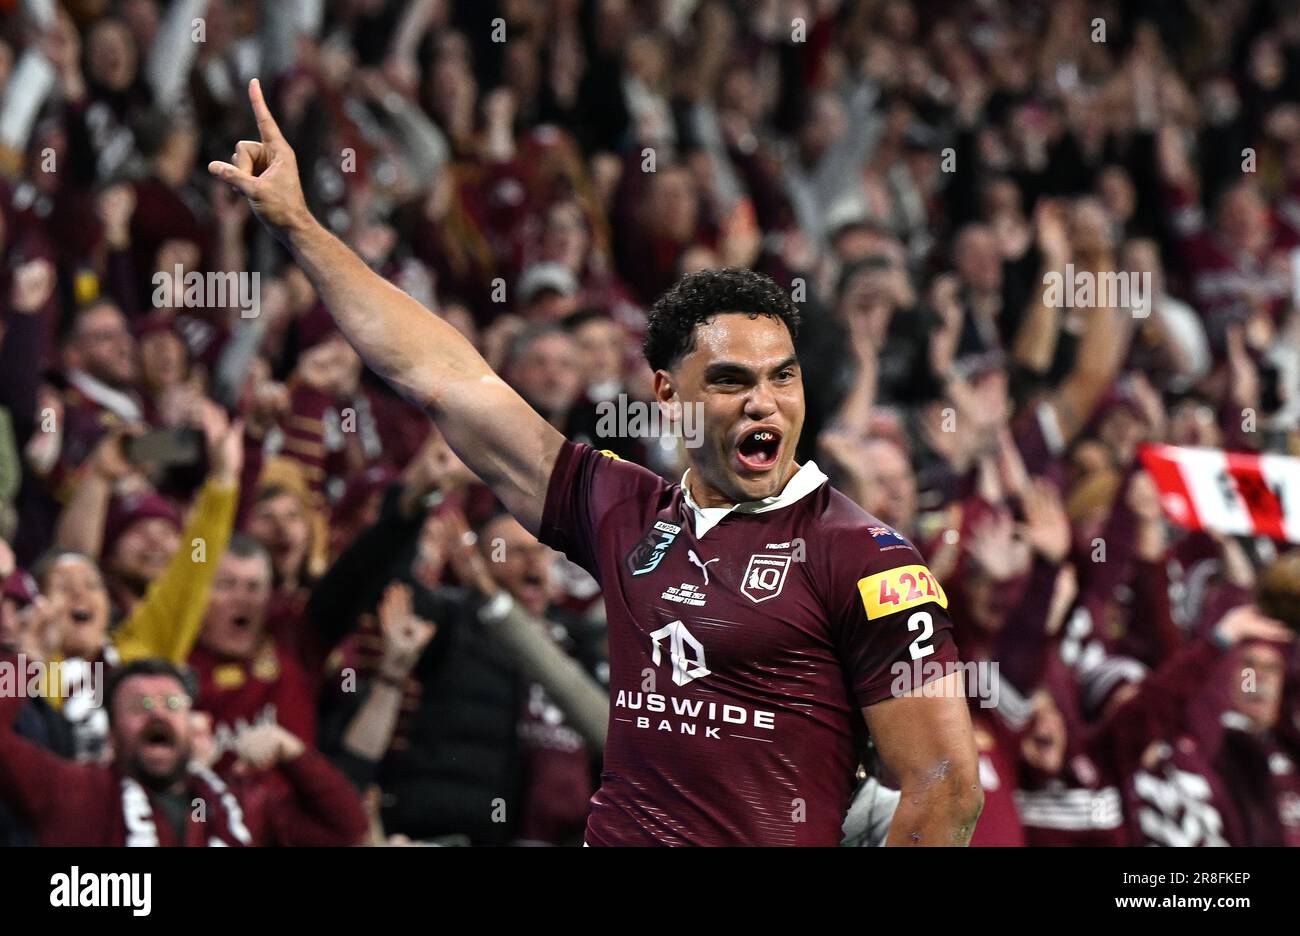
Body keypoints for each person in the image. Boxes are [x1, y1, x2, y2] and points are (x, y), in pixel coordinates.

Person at [209, 79, 981, 846]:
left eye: (783, 377)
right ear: (667, 394)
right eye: (730, 380)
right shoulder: (624, 513)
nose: (763, 403)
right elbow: (444, 379)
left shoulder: (868, 562)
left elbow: (946, 794)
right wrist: (302, 227)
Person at [0, 658, 366, 846]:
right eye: (139, 705)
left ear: (191, 724)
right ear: (111, 733)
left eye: (171, 703)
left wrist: (293, 753)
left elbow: (346, 829)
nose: (157, 712)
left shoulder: (243, 805)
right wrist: (23, 660)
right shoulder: (71, 791)